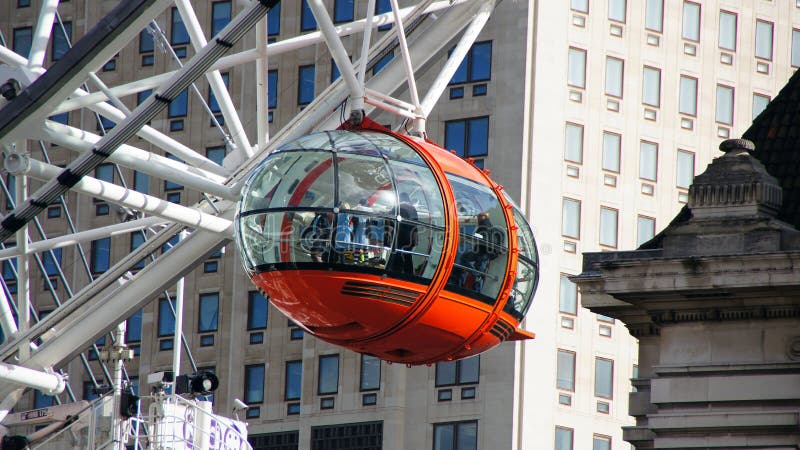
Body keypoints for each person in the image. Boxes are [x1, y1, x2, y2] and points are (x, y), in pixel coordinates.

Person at [389, 193, 418, 275]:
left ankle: (395, 272)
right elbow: (415, 224)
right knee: (408, 255)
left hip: (399, 234)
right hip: (409, 235)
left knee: (397, 253)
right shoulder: (413, 208)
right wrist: (415, 238)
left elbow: (391, 220)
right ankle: (409, 274)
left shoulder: (398, 207)